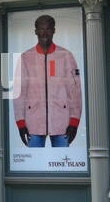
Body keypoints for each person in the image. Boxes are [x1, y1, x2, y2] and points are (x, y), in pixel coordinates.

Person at [14, 14, 82, 147]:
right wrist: (20, 122)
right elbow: (19, 92)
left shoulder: (65, 56)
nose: (44, 33)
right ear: (35, 31)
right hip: (33, 122)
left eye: (48, 29)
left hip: (62, 122)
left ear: (54, 30)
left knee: (63, 164)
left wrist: (74, 121)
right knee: (34, 165)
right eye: (41, 29)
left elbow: (75, 90)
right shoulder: (25, 57)